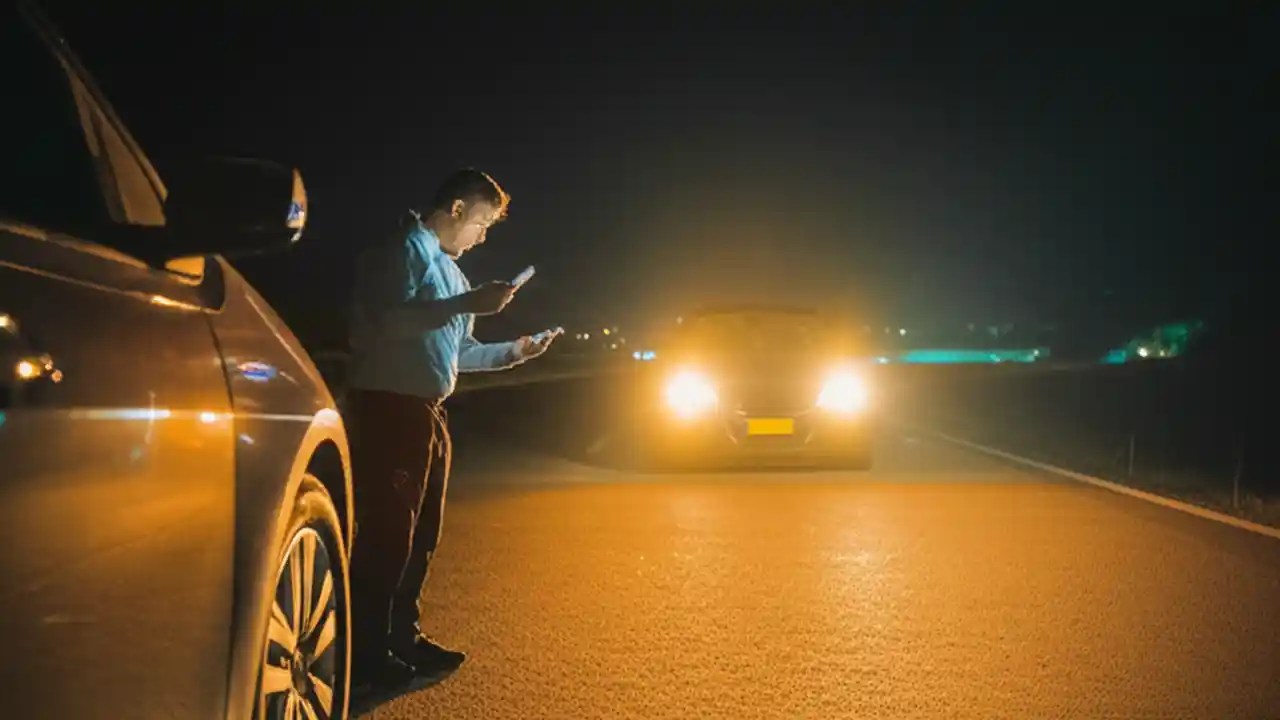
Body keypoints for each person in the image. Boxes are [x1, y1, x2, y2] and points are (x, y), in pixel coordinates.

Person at [345, 169, 558, 687]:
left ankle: (401, 639)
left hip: (428, 411)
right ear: (457, 209)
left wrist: (515, 352)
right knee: (388, 535)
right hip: (389, 406)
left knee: (421, 535)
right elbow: (387, 320)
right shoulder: (403, 249)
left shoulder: (454, 274)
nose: (482, 236)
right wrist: (467, 304)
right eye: (482, 223)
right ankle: (365, 652)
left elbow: (459, 353)